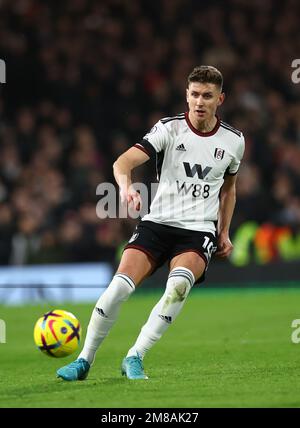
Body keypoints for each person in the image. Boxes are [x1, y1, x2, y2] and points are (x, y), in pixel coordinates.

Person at [57, 65, 245, 381]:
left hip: (198, 231)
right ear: (187, 95)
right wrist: (126, 187)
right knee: (117, 288)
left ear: (220, 99)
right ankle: (84, 360)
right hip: (157, 223)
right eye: (195, 94)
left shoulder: (233, 140)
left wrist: (223, 231)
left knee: (179, 286)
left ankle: (135, 356)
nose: (200, 102)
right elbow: (122, 162)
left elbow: (229, 189)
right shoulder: (168, 129)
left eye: (207, 96)